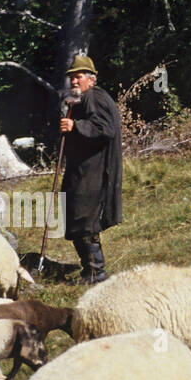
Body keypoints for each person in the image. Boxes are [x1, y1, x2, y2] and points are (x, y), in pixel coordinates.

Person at [58, 54, 122, 284]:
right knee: (77, 216)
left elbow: (105, 129)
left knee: (84, 220)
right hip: (82, 170)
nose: (74, 82)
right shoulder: (81, 100)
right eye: (72, 78)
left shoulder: (94, 97)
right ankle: (90, 271)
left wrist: (76, 125)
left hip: (93, 172)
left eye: (79, 77)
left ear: (91, 80)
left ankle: (97, 273)